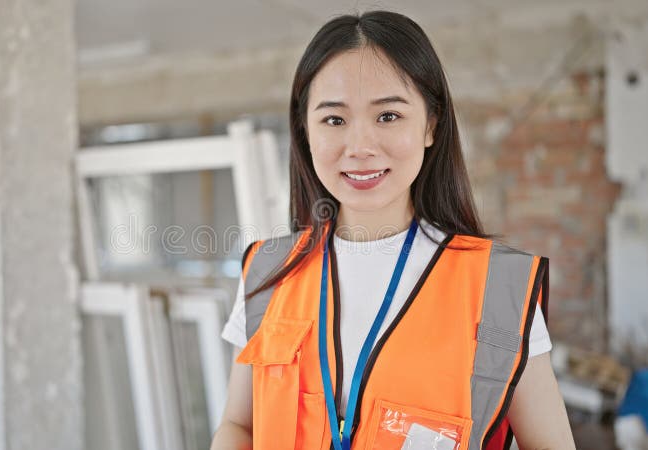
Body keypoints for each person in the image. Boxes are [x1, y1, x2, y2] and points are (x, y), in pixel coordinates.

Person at [211, 10, 575, 450]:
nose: (360, 147)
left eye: (387, 116)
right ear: (305, 131)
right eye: (334, 120)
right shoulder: (267, 272)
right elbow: (240, 425)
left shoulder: (499, 289)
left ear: (431, 125)